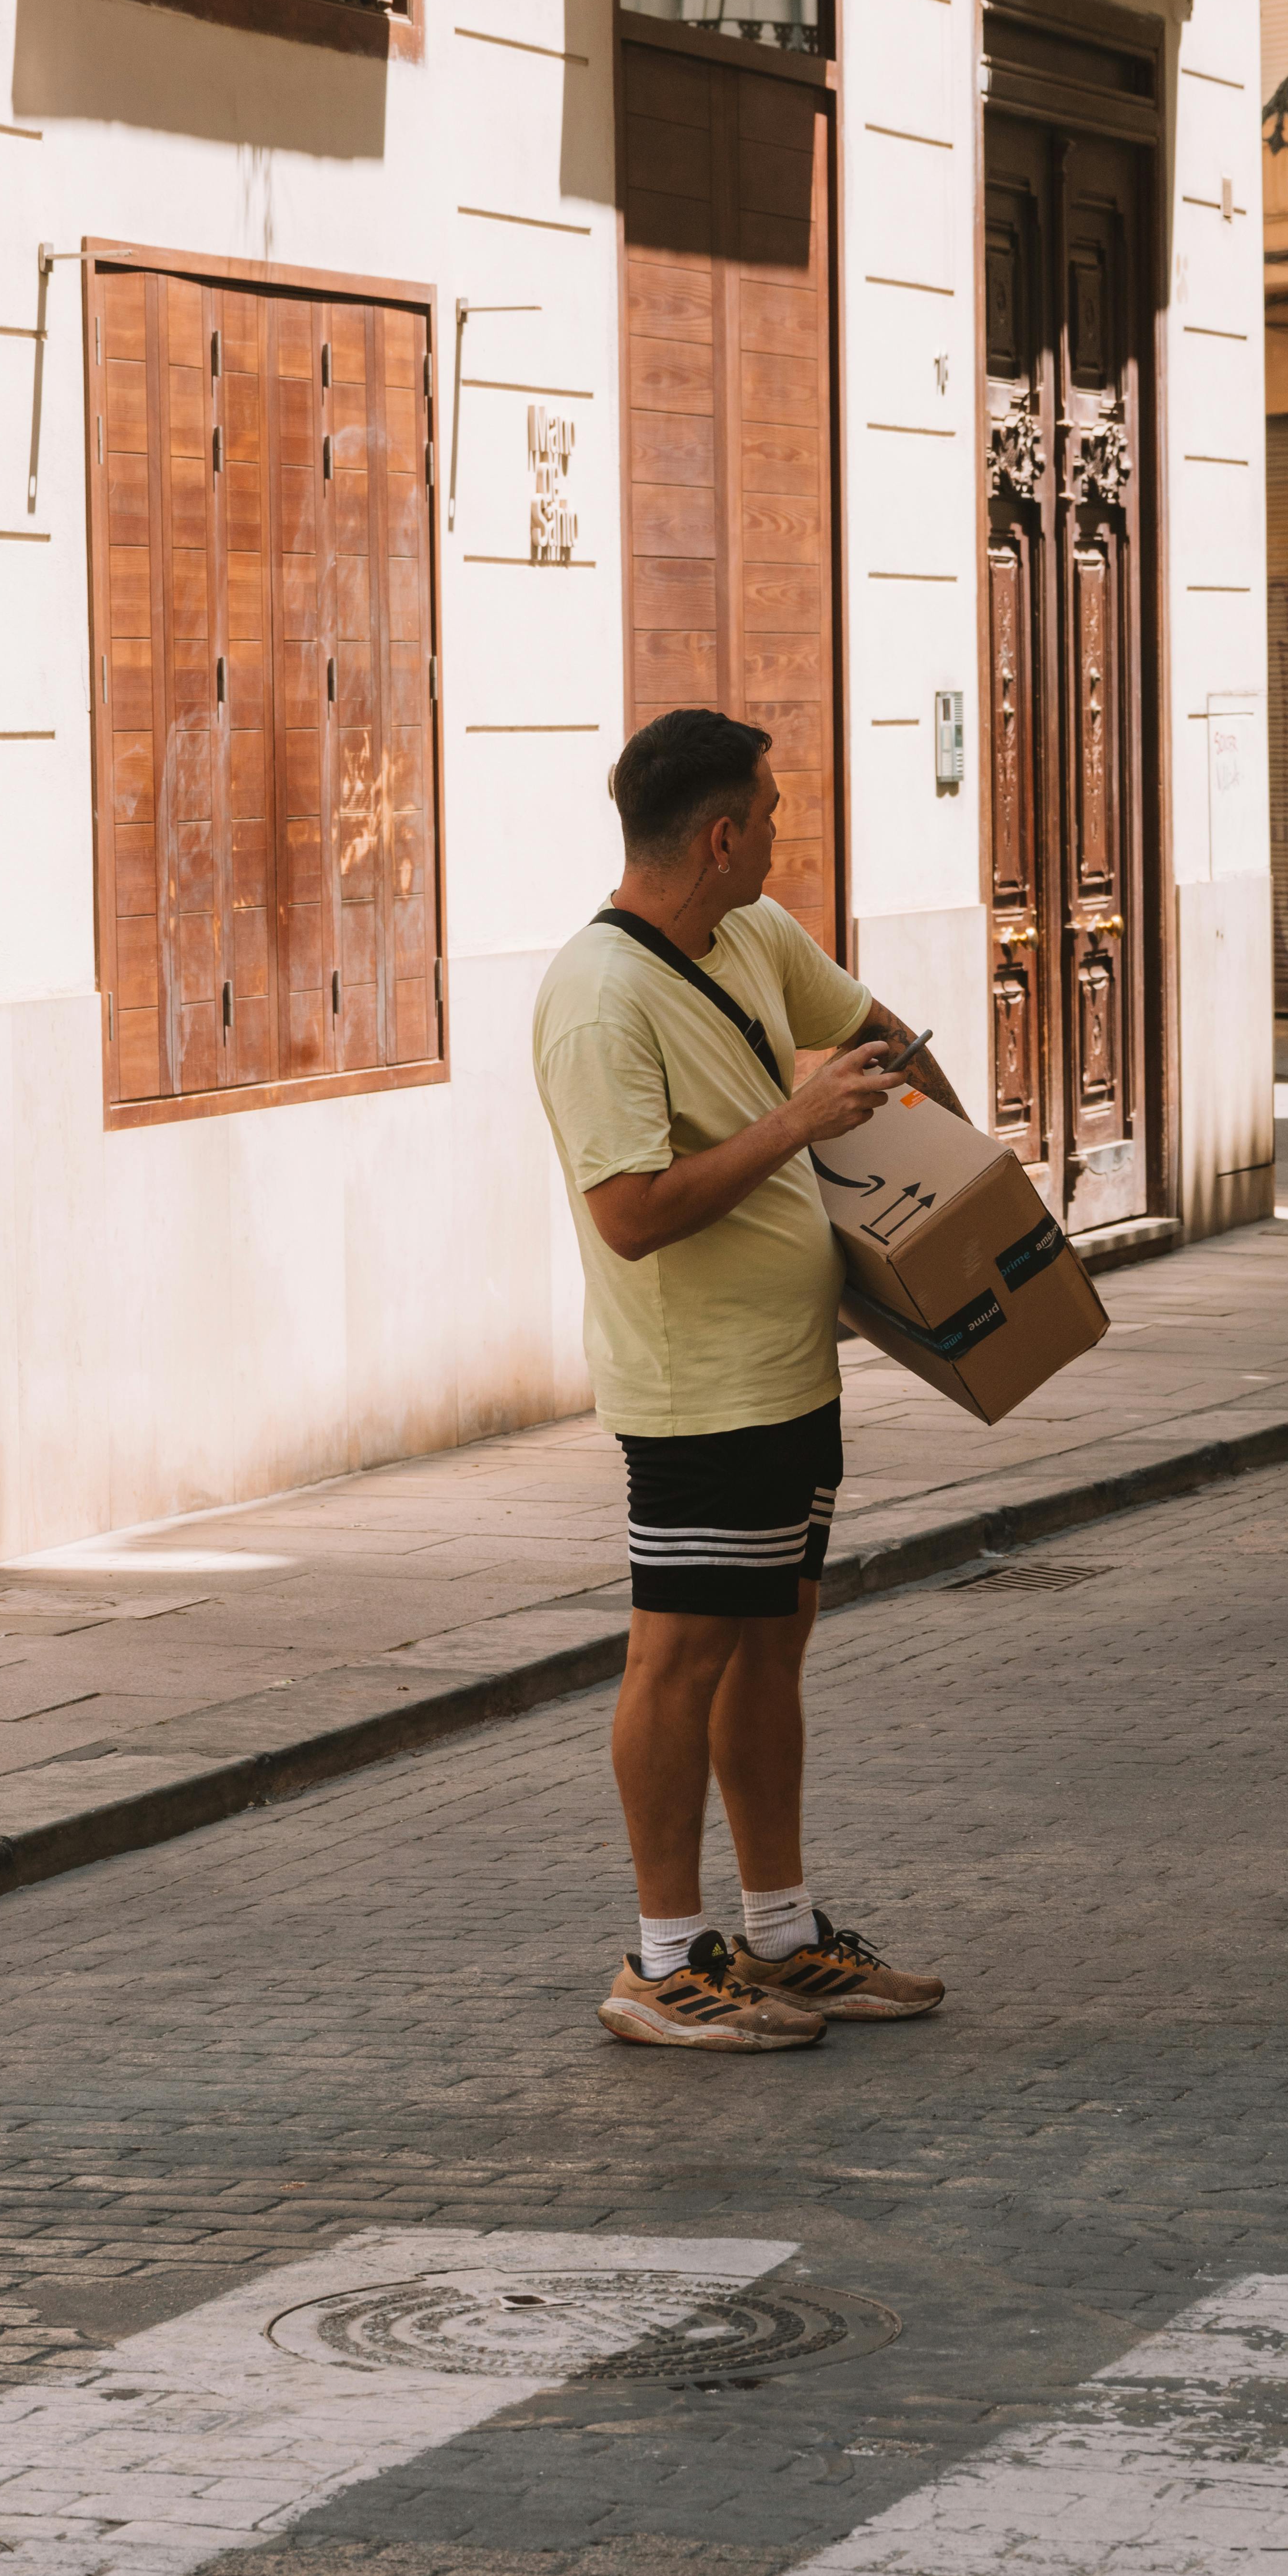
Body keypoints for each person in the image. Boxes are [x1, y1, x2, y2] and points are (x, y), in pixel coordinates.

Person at [531, 707, 971, 2052]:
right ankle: (663, 1961)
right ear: (720, 836)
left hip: (791, 1377)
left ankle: (780, 1934)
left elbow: (883, 1040)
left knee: (770, 1649)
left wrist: (961, 1190)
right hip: (698, 1391)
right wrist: (795, 1122)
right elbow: (631, 1213)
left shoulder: (754, 935)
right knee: (678, 1660)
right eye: (772, 815)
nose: (783, 832)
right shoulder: (599, 1001)